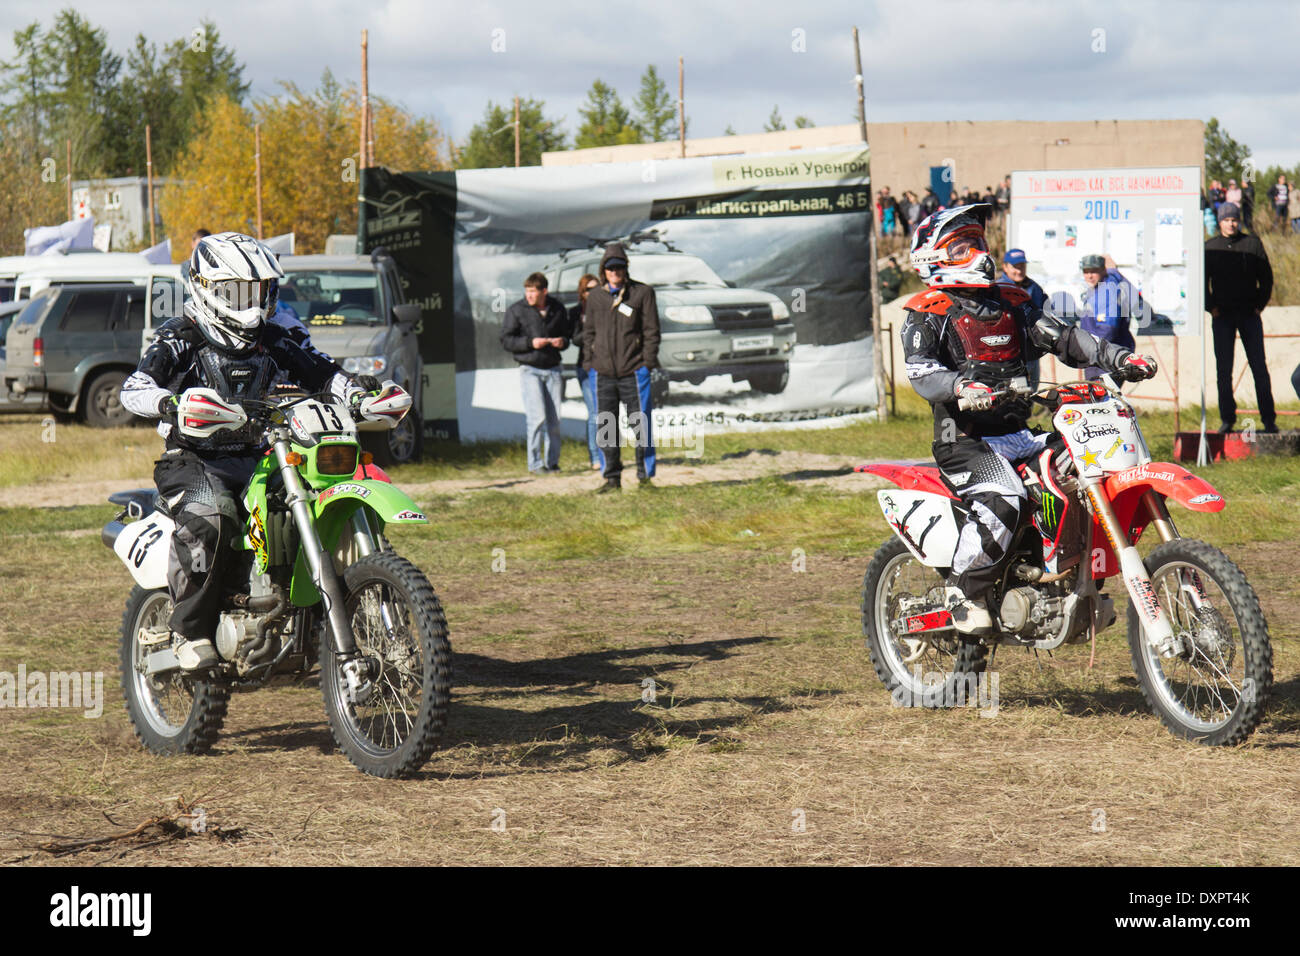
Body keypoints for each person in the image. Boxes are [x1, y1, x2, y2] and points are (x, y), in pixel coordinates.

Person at [119, 232, 383, 670]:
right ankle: (188, 630)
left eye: (260, 291)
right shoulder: (180, 336)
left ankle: (312, 610)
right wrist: (171, 403)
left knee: (315, 500)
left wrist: (356, 393)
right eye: (240, 292)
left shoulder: (275, 338)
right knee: (213, 516)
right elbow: (134, 387)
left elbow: (322, 371)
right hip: (194, 460)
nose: (253, 305)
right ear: (207, 288)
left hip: (264, 455)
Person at [901, 204, 1156, 633]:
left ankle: (1066, 578)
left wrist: (1119, 357)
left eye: (979, 244)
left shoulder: (1014, 303)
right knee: (1005, 498)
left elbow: (1069, 340)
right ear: (934, 256)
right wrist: (962, 387)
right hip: (964, 443)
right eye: (963, 247)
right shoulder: (928, 311)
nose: (979, 254)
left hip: (1019, 434)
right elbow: (922, 372)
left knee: (1090, 466)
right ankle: (963, 590)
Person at [582, 242, 660, 492]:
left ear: (626, 268)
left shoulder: (642, 293)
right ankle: (611, 479)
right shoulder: (595, 297)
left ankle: (645, 478)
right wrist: (589, 363)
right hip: (602, 373)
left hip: (634, 371)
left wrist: (646, 363)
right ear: (603, 270)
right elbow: (589, 333)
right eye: (610, 267)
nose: (615, 271)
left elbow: (651, 331)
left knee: (641, 424)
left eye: (619, 267)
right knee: (606, 426)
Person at [1205, 202, 1277, 433]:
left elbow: (1266, 277)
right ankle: (1227, 419)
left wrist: (1259, 305)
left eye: (1234, 219)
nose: (1231, 223)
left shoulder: (1252, 244)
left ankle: (1268, 420)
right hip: (1223, 316)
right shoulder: (1210, 247)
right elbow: (1201, 281)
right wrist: (1211, 307)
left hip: (1249, 315)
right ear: (1220, 222)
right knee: (1224, 371)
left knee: (1259, 367)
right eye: (1226, 220)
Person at [500, 272, 570, 474]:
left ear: (544, 291)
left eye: (533, 291)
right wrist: (530, 343)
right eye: (527, 291)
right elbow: (505, 339)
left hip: (554, 370)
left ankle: (552, 463)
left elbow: (567, 335)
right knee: (536, 418)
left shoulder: (557, 308)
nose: (529, 295)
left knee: (554, 420)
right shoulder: (517, 310)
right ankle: (535, 464)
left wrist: (561, 342)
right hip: (529, 370)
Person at [1077, 253, 1142, 379]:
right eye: (1086, 271)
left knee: (1101, 396)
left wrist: (1087, 348)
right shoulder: (1103, 285)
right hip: (1101, 354)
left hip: (1105, 356)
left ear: (1103, 270)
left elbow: (1108, 330)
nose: (1089, 276)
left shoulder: (1107, 291)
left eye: (1094, 271)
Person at [998, 248, 1046, 388]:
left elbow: (1045, 314)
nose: (1019, 271)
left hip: (1031, 355)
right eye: (1015, 267)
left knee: (1032, 395)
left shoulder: (1034, 288)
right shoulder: (997, 289)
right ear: (1005, 267)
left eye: (1022, 266)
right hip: (1009, 356)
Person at [569, 273, 603, 470]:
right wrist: (592, 329)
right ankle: (595, 457)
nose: (593, 293)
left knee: (606, 412)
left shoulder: (608, 307)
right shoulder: (575, 312)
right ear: (582, 292)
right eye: (588, 289)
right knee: (595, 412)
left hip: (606, 365)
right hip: (586, 366)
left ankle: (608, 453)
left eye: (596, 288)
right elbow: (574, 339)